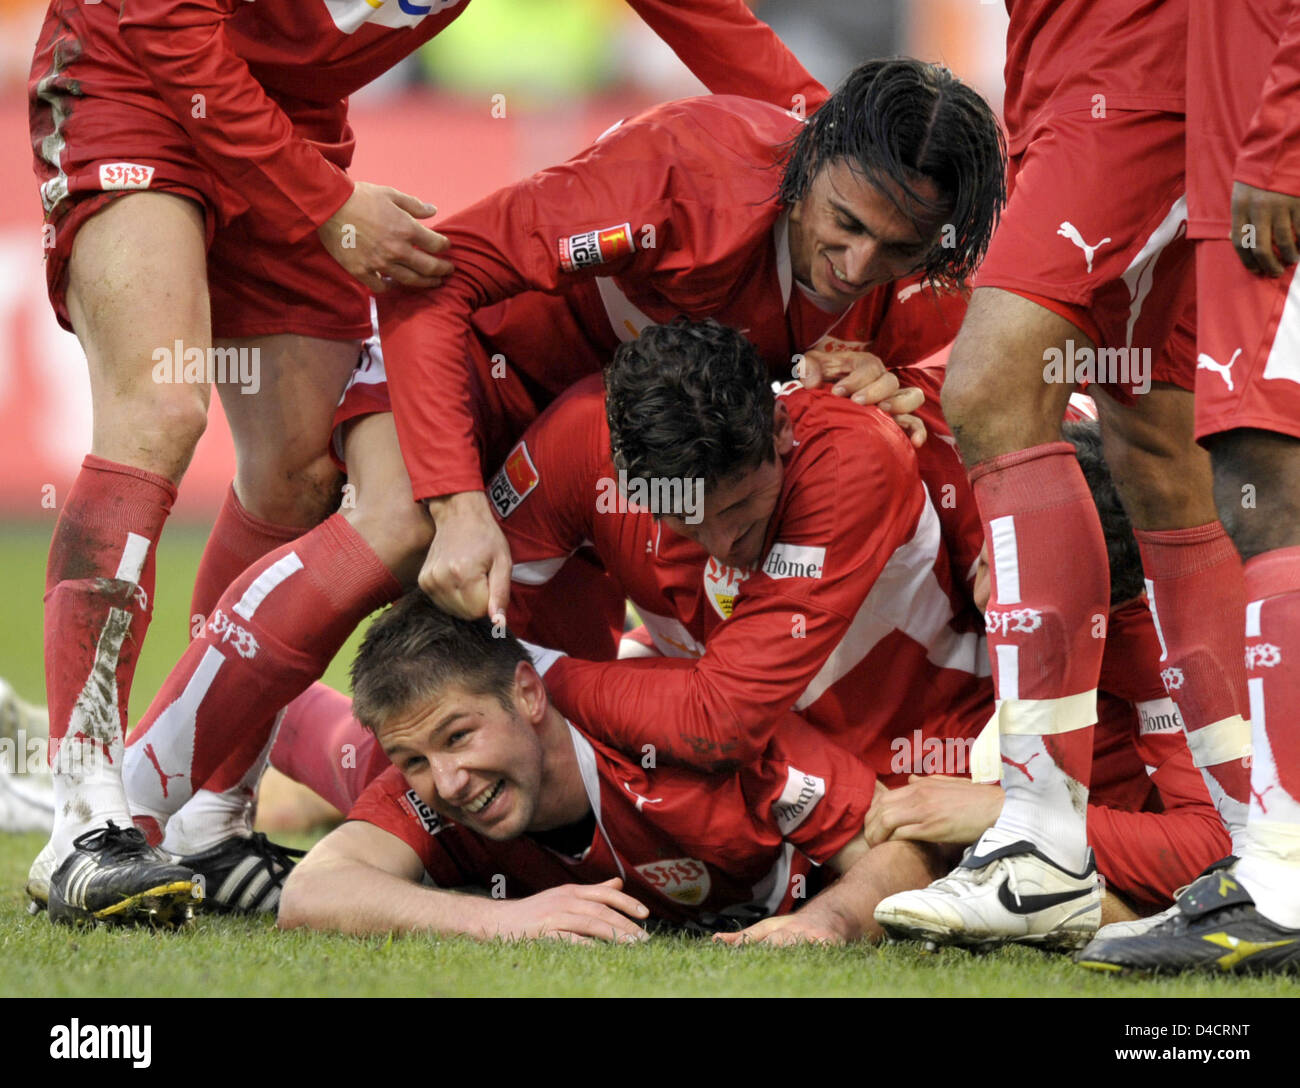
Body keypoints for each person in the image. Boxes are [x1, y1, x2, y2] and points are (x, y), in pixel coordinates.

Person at [105, 60, 1005, 911]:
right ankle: (120, 807)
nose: (854, 265)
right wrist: (457, 504)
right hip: (504, 395)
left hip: (602, 457)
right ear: (810, 158)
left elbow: (981, 396)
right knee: (398, 530)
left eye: (894, 248)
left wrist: (911, 390)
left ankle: (259, 773)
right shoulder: (684, 173)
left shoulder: (916, 309)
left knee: (519, 742)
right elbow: (440, 274)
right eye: (842, 225)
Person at [28, 0, 827, 925]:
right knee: (161, 411)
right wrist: (325, 205)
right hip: (139, 80)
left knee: (298, 477)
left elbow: (705, 19)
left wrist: (852, 140)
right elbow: (158, 20)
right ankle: (85, 822)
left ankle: (212, 818)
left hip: (289, 120)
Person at [877, 0, 1254, 949]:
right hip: (1078, 65)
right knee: (1155, 443)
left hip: (1137, 64)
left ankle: (1040, 841)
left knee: (996, 387)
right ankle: (1265, 848)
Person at [277, 593, 946, 943]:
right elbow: (311, 893)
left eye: (460, 736)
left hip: (648, 677)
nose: (448, 780)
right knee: (309, 734)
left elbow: (905, 852)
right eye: (415, 759)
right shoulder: (435, 783)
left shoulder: (699, 736)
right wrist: (507, 920)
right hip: (382, 762)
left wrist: (825, 924)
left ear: (528, 693)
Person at [1076, 0, 1300, 974]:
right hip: (1227, 156)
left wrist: (1280, 141)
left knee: (1262, 473)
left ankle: (1282, 878)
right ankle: (1270, 857)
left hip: (1261, 158)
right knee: (1237, 466)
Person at [870, 420, 1230, 933]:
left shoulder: (1173, 643)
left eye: (1019, 592)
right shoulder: (1018, 469)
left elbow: (1223, 847)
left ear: (1102, 599)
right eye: (990, 563)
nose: (986, 599)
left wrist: (1004, 811)